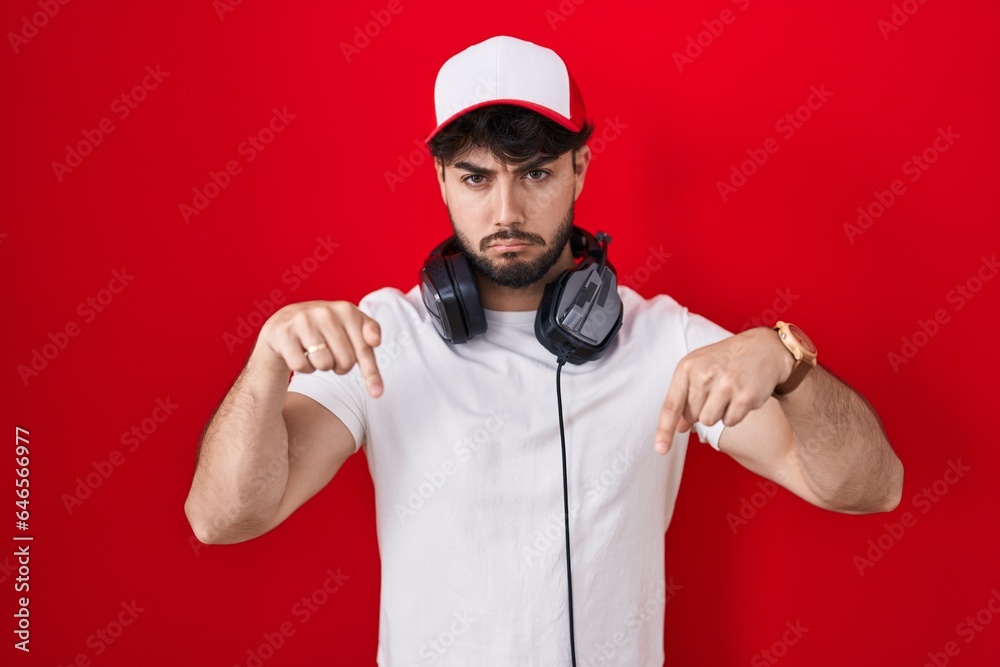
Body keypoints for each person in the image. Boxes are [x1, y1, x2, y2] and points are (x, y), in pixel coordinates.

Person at [184, 35, 904, 666]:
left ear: (579, 169)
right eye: (476, 177)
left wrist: (786, 361)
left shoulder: (665, 341)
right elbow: (221, 519)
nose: (506, 212)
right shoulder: (381, 338)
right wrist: (267, 362)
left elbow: (871, 488)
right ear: (440, 181)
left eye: (535, 173)